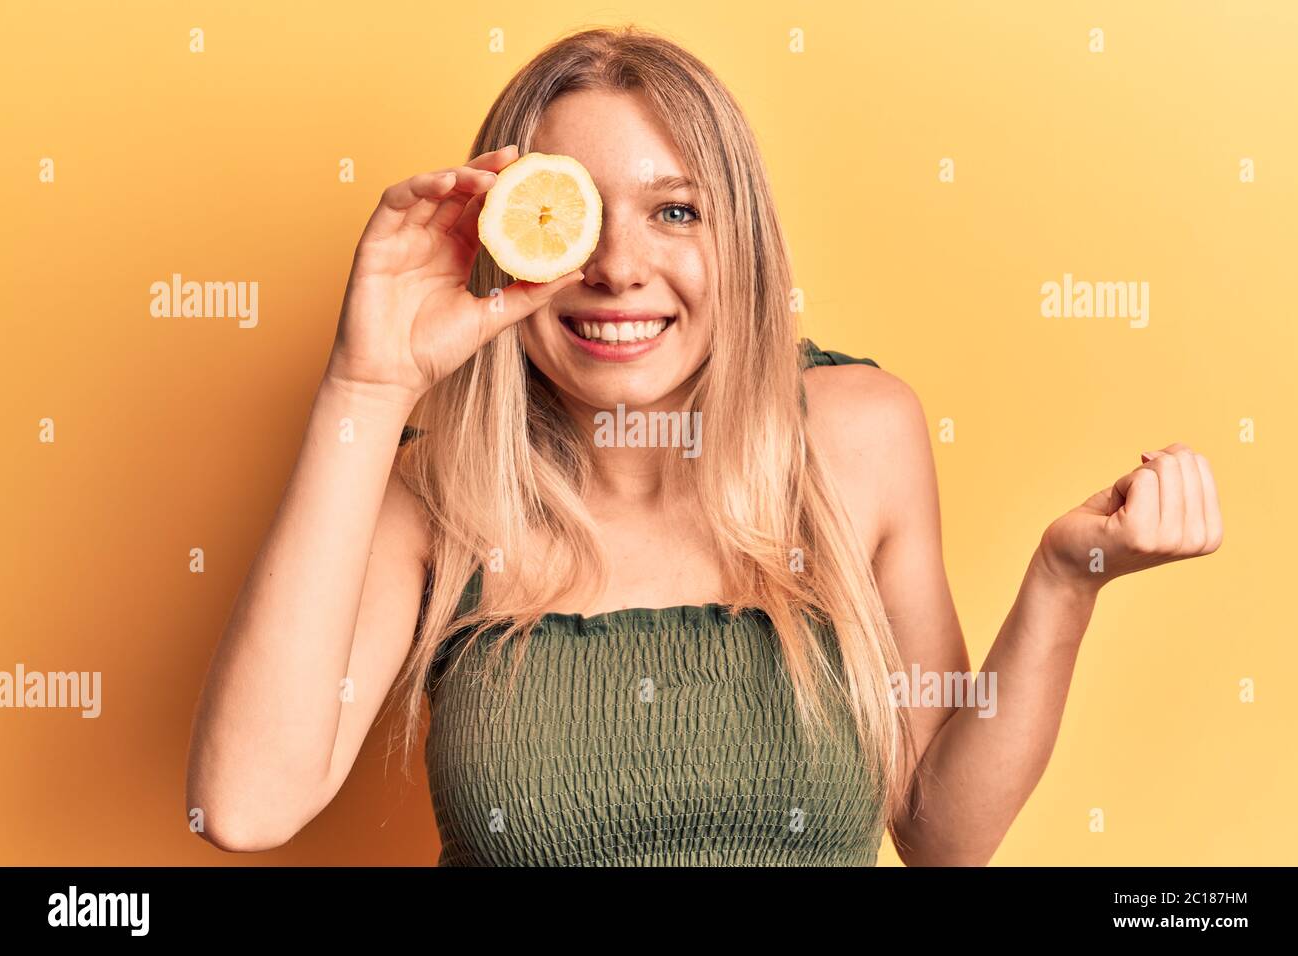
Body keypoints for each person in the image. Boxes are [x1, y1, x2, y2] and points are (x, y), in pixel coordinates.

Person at [186, 26, 1224, 866]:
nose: (618, 268)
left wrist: (1064, 577)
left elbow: (943, 835)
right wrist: (365, 384)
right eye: (573, 216)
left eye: (674, 210)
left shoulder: (858, 434)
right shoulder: (436, 485)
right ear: (505, 233)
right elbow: (243, 805)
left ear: (743, 239)